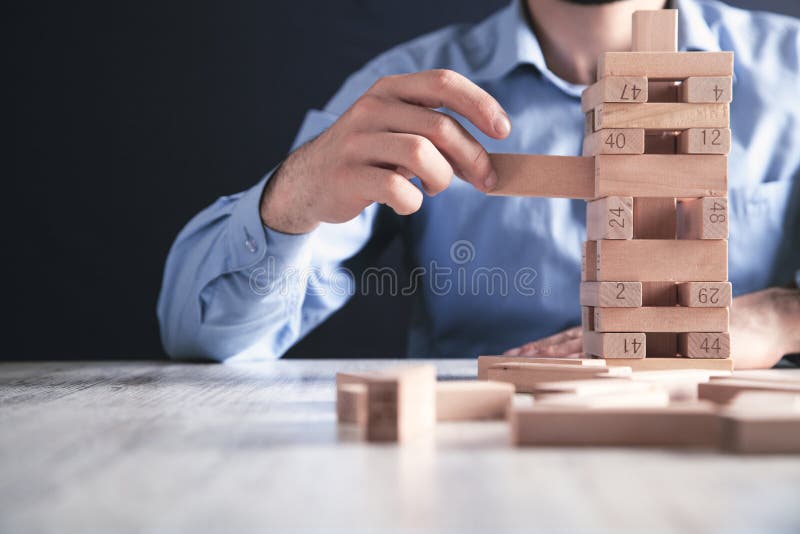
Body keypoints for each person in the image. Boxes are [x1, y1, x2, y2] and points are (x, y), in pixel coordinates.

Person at [157, 0, 800, 368]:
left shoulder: (789, 70)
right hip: (476, 463)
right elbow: (203, 337)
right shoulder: (409, 88)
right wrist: (292, 198)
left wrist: (784, 315)